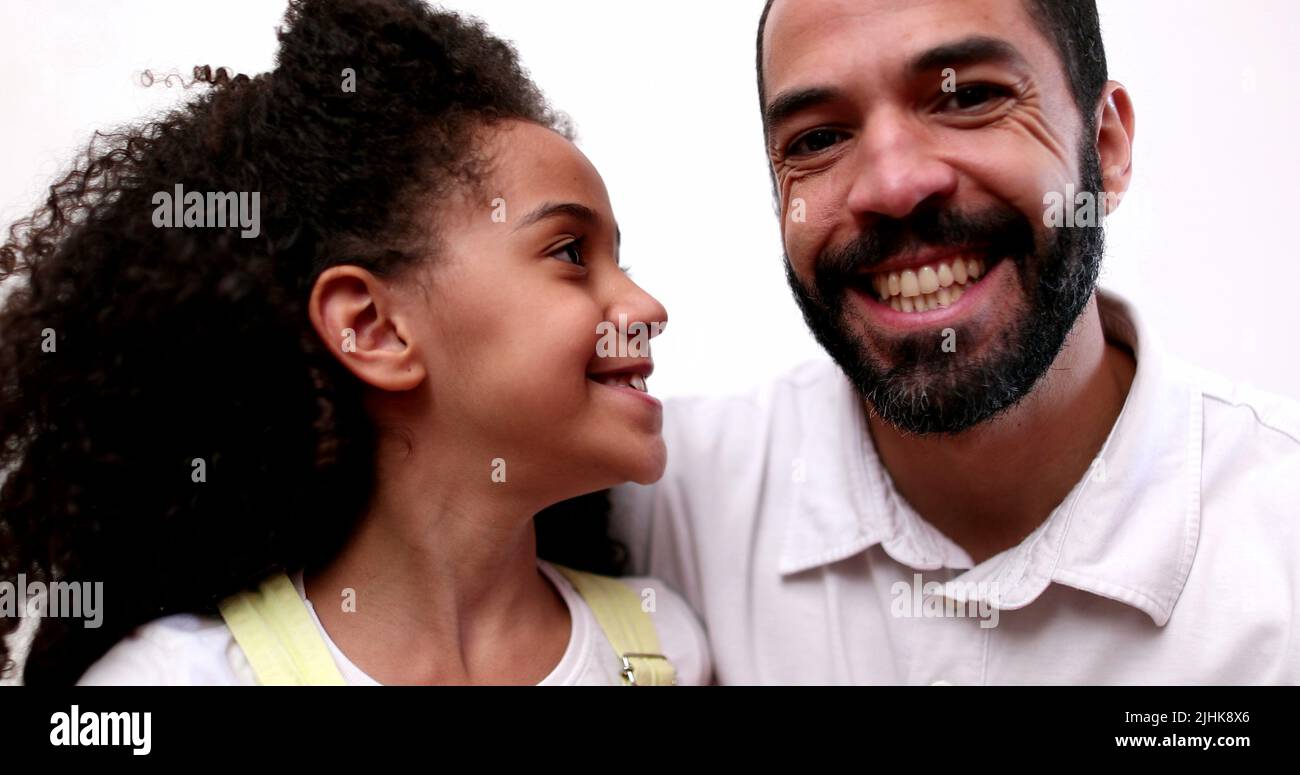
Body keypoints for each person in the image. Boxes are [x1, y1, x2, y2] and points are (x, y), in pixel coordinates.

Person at [0, 0, 708, 686]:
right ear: (373, 328)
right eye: (571, 252)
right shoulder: (179, 679)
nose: (648, 307)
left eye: (622, 259)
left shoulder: (665, 645)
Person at [611, 0, 1300, 684]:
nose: (894, 185)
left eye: (969, 96)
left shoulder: (1280, 540)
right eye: (818, 139)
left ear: (1107, 146)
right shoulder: (656, 505)